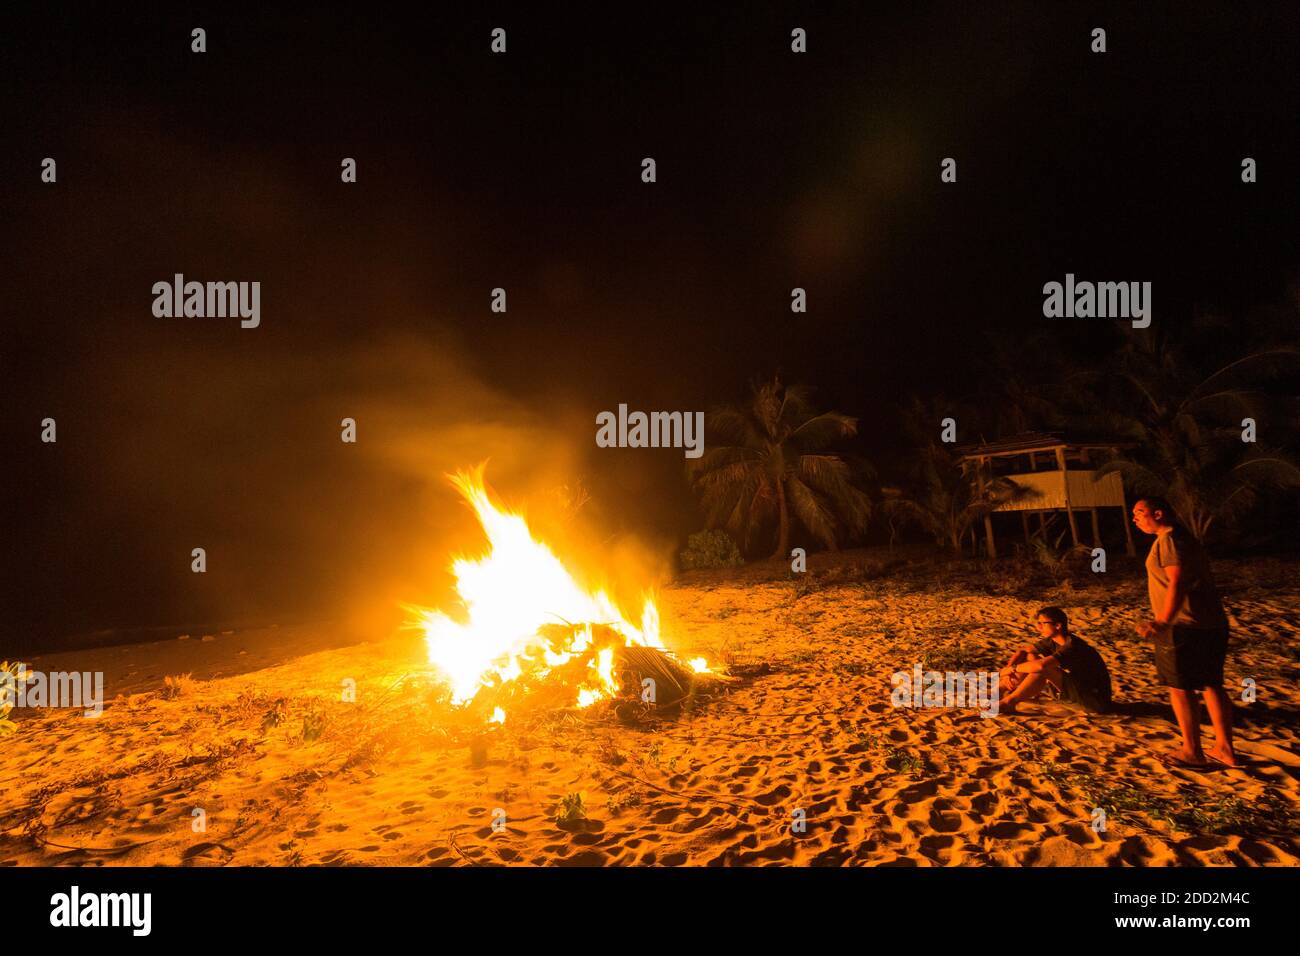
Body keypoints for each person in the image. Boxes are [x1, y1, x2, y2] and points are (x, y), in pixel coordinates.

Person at [1132, 496, 1237, 768]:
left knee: (1180, 688)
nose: (1136, 519)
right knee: (1211, 684)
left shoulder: (1169, 540)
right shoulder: (1184, 539)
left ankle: (1192, 750)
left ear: (1158, 514)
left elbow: (1176, 582)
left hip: (1184, 624)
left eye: (1140, 513)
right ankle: (1224, 748)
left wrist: (1163, 621)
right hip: (1211, 622)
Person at [999, 606, 1112, 714]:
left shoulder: (1073, 646)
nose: (1039, 627)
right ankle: (1002, 688)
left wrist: (1012, 669)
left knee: (1044, 668)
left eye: (1043, 623)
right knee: (1031, 657)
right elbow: (1023, 651)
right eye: (1038, 623)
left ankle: (1009, 702)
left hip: (1093, 700)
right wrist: (1007, 671)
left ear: (1057, 625)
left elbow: (1041, 666)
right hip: (1074, 690)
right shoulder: (1052, 640)